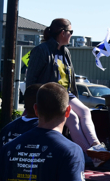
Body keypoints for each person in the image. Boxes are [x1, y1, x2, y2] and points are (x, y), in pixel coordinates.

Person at [25, 17, 101, 151]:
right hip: (50, 96)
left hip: (66, 93)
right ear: (62, 33)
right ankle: (88, 153)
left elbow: (71, 78)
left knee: (85, 111)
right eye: (71, 32)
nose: (71, 35)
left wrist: (75, 95)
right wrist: (33, 102)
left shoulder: (65, 51)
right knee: (72, 118)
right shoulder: (41, 50)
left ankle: (96, 146)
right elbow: (31, 79)